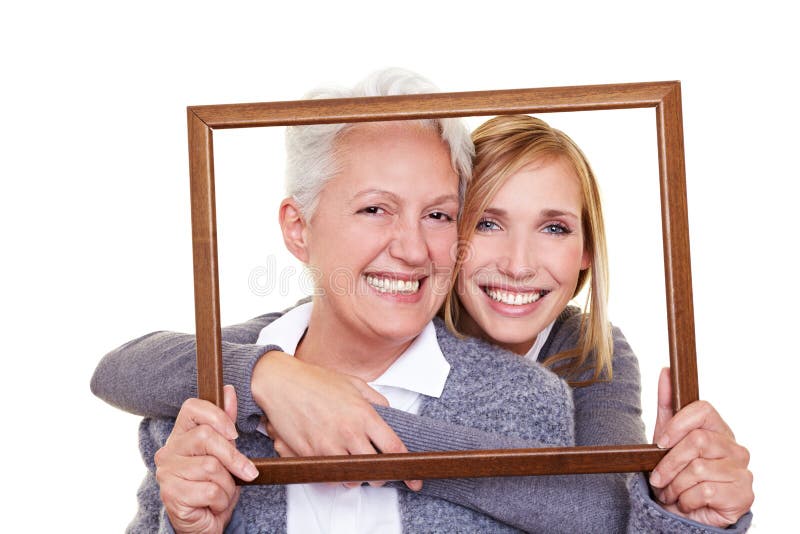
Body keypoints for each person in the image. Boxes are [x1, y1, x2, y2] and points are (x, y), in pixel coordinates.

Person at [93, 77, 754, 532]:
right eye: (487, 223)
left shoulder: (574, 363)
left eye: (436, 214)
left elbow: (601, 513)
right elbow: (128, 366)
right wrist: (273, 379)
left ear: (588, 251)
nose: (519, 262)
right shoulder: (224, 391)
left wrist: (686, 502)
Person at [107, 69, 577, 533]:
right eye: (375, 209)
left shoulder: (529, 406)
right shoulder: (200, 404)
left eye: (437, 214)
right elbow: (119, 366)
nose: (413, 250)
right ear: (298, 228)